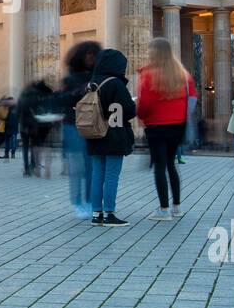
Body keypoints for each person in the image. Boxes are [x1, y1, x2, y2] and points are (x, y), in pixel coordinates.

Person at [137, 37, 190, 220]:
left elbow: (145, 104)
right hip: (178, 125)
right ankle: (177, 206)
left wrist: (141, 116)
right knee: (171, 164)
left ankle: (164, 209)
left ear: (154, 52)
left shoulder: (149, 74)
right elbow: (192, 99)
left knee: (159, 167)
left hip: (156, 126)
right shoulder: (182, 74)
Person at [84, 49, 136, 226]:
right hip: (113, 134)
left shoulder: (91, 83)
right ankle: (109, 214)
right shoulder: (115, 84)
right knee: (112, 175)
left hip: (93, 134)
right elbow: (127, 111)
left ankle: (96, 214)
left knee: (97, 174)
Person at [56, 41, 100, 217]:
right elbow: (60, 100)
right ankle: (77, 201)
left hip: (94, 124)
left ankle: (91, 200)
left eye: (93, 54)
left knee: (92, 165)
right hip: (73, 124)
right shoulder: (70, 79)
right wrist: (77, 93)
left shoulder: (98, 77)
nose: (90, 57)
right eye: (87, 54)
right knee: (77, 167)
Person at [17, 79, 55, 178]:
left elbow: (18, 110)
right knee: (35, 145)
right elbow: (41, 110)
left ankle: (26, 169)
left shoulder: (23, 95)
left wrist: (20, 121)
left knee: (25, 147)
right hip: (34, 125)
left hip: (24, 124)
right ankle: (33, 165)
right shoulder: (38, 95)